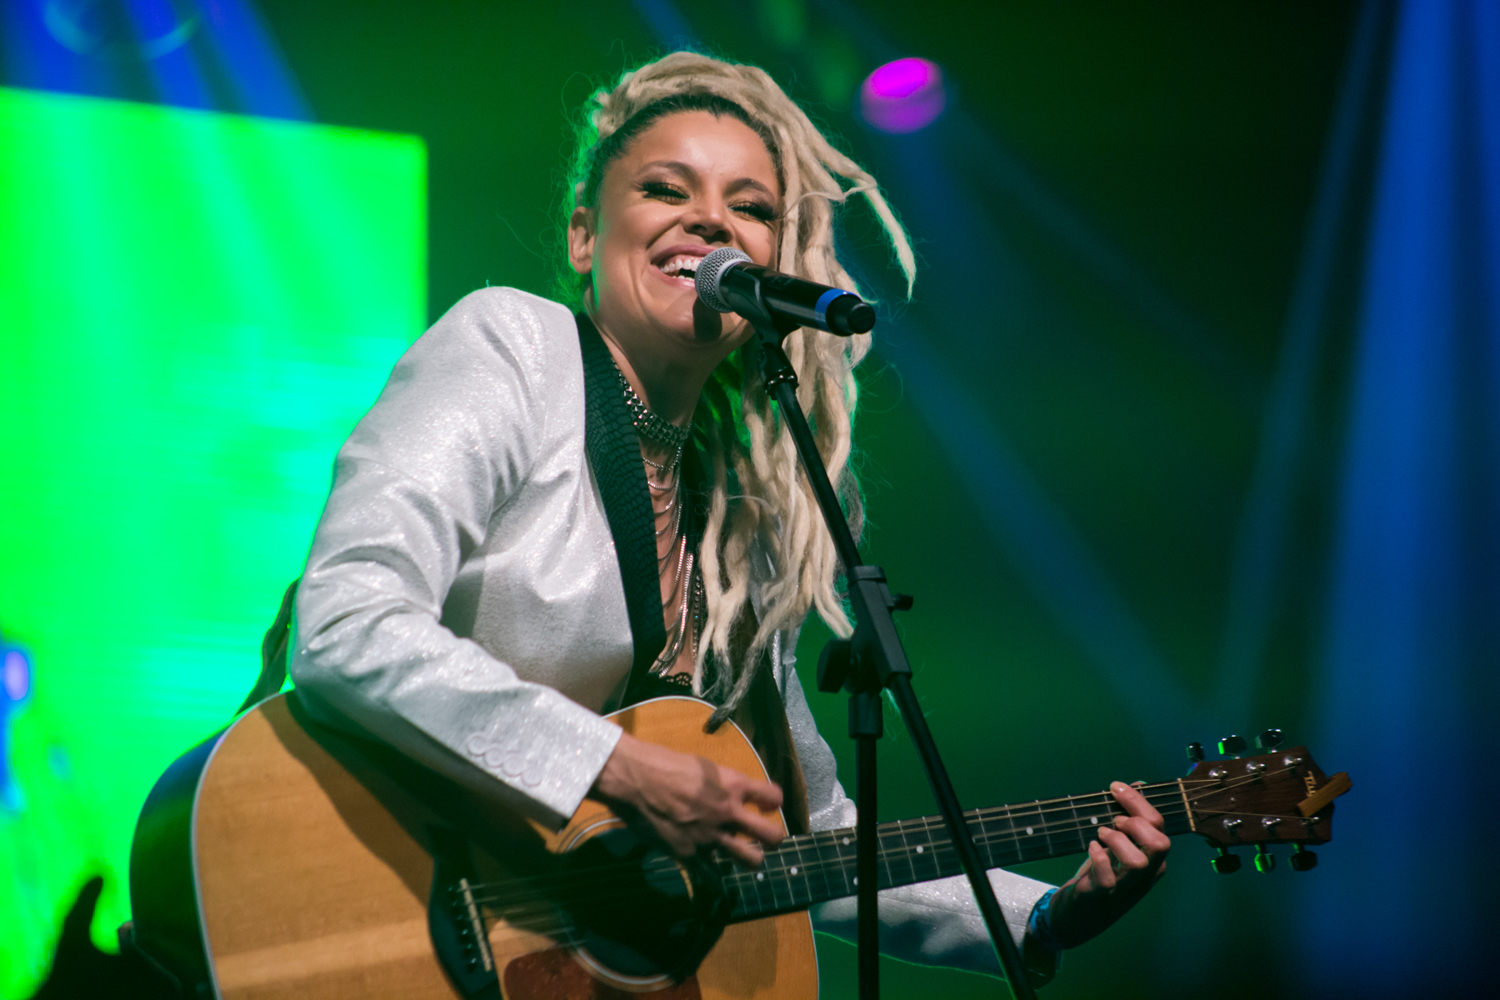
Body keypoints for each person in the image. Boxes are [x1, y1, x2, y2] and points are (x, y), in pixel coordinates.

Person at [288, 51, 1169, 987]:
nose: (711, 220)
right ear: (584, 235)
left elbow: (802, 833)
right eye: (666, 189)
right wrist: (616, 767)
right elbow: (347, 622)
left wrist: (1046, 916)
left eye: (750, 208)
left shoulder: (740, 526)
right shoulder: (516, 348)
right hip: (360, 897)